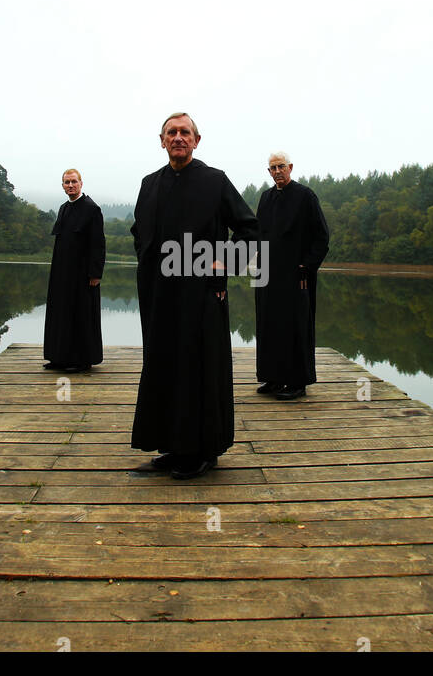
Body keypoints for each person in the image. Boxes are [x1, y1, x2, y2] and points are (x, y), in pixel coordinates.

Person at [130, 113, 260, 479]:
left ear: (196, 140)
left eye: (185, 132)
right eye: (171, 132)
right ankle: (171, 446)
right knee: (165, 369)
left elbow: (250, 230)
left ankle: (203, 451)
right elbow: (139, 230)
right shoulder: (149, 184)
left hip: (201, 296)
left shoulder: (214, 181)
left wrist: (221, 266)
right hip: (158, 298)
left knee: (198, 370)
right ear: (161, 140)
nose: (178, 137)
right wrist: (147, 262)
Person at [254, 152, 330, 400]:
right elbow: (258, 234)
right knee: (269, 325)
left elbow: (322, 237)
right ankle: (274, 378)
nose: (277, 171)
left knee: (295, 327)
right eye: (273, 168)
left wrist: (306, 266)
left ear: (291, 168)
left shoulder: (305, 196)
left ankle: (298, 382)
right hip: (267, 275)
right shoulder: (266, 198)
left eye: (281, 166)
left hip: (297, 276)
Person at [43, 168, 105, 372]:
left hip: (83, 275)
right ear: (62, 186)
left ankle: (82, 360)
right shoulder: (63, 208)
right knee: (60, 314)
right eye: (66, 182)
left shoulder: (91, 208)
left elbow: (98, 243)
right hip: (62, 274)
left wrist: (95, 273)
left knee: (81, 315)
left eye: (73, 182)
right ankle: (58, 357)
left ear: (81, 183)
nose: (70, 185)